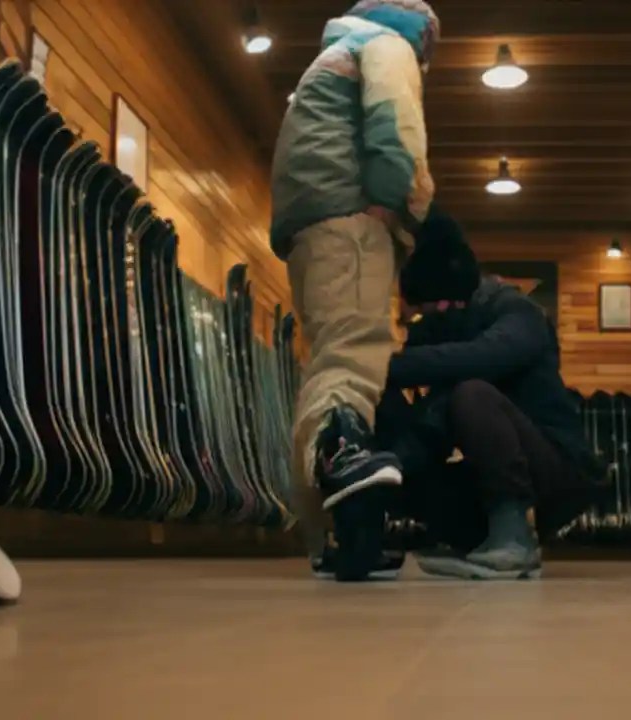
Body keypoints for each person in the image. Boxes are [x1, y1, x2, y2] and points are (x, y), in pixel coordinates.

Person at [269, 0, 439, 579]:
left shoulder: (328, 57)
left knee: (326, 362)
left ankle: (331, 537)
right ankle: (341, 453)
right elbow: (397, 126)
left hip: (311, 225)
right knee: (354, 354)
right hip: (353, 220)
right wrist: (401, 205)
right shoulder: (386, 48)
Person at [376, 210, 604, 579]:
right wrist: (389, 472)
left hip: (559, 471)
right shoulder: (446, 332)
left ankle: (513, 538)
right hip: (499, 473)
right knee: (401, 462)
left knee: (472, 393)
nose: (428, 320)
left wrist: (387, 366)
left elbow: (491, 355)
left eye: (432, 309)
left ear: (451, 299)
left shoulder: (517, 311)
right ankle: (476, 541)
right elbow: (433, 422)